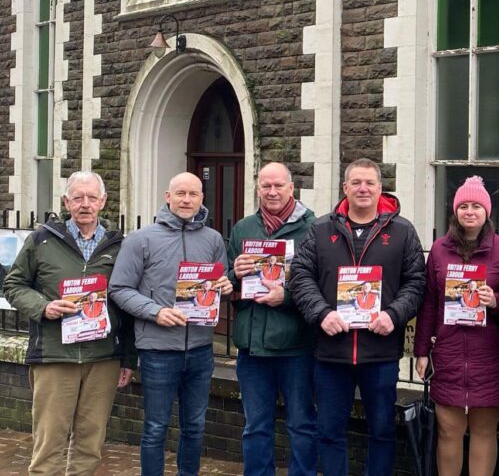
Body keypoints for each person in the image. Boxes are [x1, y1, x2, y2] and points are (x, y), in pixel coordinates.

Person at [288, 158, 426, 476]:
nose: (363, 189)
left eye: (370, 183)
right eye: (356, 183)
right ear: (345, 188)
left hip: (380, 352)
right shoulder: (321, 229)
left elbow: (416, 282)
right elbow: (301, 276)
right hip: (331, 352)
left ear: (380, 188)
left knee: (381, 432)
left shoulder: (403, 231)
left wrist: (394, 314)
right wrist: (321, 313)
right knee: (330, 432)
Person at [3, 171, 135, 476]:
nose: (85, 204)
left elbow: (128, 305)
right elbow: (13, 285)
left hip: (103, 358)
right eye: (78, 197)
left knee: (90, 446)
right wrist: (44, 306)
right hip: (54, 356)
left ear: (103, 201)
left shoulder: (119, 246)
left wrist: (128, 358)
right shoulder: (42, 240)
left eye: (91, 197)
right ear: (66, 202)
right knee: (49, 445)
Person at [109, 172, 234, 476]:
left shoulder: (214, 239)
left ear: (202, 198)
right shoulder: (141, 239)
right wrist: (155, 312)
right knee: (155, 428)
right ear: (167, 196)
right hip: (158, 350)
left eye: (193, 194)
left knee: (195, 426)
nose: (187, 200)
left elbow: (219, 283)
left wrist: (226, 287)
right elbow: (119, 289)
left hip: (201, 351)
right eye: (180, 193)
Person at [413, 176, 499, 476]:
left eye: (477, 206)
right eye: (464, 206)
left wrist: (494, 300)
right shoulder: (440, 249)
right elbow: (429, 302)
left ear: (487, 212)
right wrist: (421, 351)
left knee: (484, 432)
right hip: (449, 352)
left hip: (490, 354)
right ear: (455, 211)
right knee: (449, 431)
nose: (470, 212)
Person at [224, 162, 318, 476]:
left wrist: (286, 297)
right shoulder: (243, 228)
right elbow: (227, 283)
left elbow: (321, 285)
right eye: (266, 186)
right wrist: (234, 275)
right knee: (255, 427)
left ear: (292, 188)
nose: (272, 192)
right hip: (252, 347)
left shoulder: (314, 228)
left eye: (278, 186)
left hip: (296, 346)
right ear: (258, 188)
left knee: (301, 425)